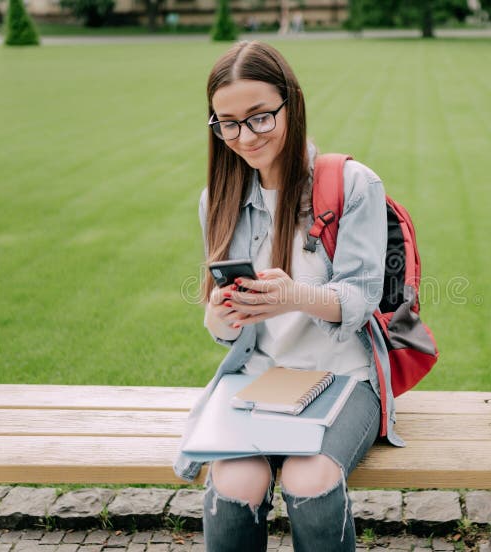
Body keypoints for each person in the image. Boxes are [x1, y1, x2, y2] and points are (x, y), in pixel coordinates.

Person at [172, 41, 404, 552]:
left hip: (345, 377)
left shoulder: (350, 184)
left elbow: (362, 299)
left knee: (309, 479)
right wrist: (220, 314)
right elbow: (227, 333)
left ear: (291, 104)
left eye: (258, 117)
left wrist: (294, 296)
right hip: (260, 379)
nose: (243, 136)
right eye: (226, 123)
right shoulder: (219, 198)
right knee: (235, 485)